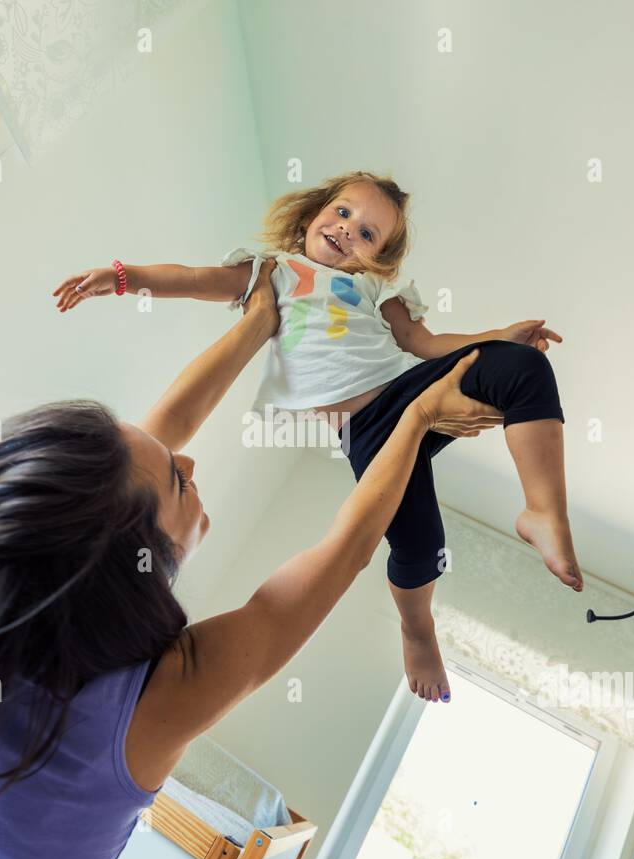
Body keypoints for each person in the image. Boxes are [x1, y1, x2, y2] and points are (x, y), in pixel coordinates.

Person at [0, 260, 505, 859]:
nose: (190, 459)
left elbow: (164, 432)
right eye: (178, 481)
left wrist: (258, 320)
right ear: (135, 563)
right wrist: (414, 418)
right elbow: (348, 547)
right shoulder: (155, 700)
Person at [52, 170, 582, 706]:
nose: (349, 230)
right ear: (312, 215)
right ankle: (418, 630)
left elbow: (426, 343)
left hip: (407, 388)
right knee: (421, 543)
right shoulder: (272, 271)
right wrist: (122, 277)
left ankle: (543, 510)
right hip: (368, 431)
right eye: (344, 213)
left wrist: (498, 337)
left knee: (520, 367)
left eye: (369, 234)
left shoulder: (377, 289)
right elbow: (191, 278)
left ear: (375, 260)